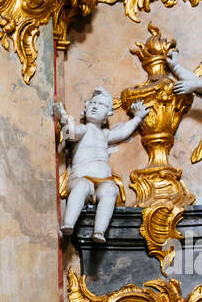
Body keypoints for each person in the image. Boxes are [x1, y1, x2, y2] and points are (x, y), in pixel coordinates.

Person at [53, 87, 146, 244]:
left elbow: (123, 132)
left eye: (101, 105)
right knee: (81, 186)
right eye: (93, 104)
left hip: (103, 180)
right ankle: (69, 223)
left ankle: (99, 231)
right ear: (85, 109)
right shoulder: (83, 130)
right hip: (82, 177)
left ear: (107, 115)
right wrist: (63, 116)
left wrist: (137, 118)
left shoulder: (105, 134)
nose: (95, 107)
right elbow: (70, 134)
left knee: (111, 190)